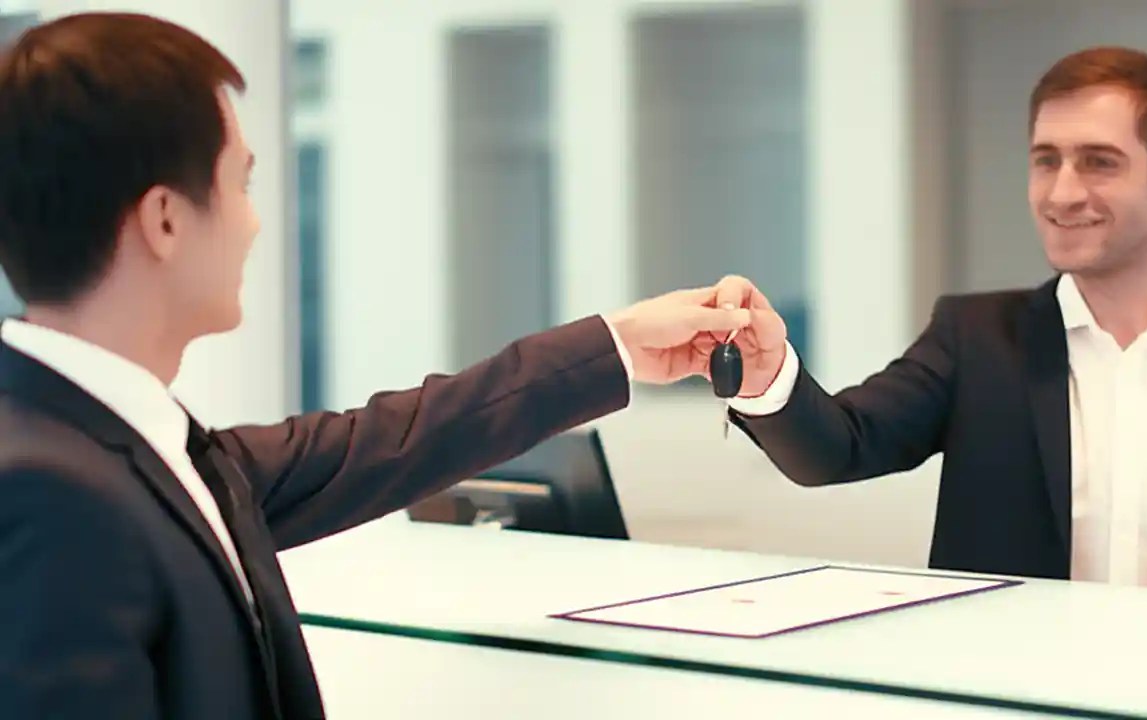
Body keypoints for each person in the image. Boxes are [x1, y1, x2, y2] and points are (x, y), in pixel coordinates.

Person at [0, 12, 754, 720]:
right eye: (241, 184)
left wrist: (618, 344)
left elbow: (388, 442)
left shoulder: (127, 443)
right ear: (165, 220)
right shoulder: (51, 495)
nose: (254, 222)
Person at [713, 46, 1147, 598]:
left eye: (1099, 162)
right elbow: (837, 448)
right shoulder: (974, 339)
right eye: (1046, 160)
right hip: (1001, 665)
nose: (1062, 193)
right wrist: (767, 375)